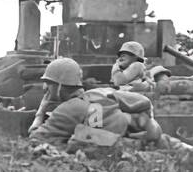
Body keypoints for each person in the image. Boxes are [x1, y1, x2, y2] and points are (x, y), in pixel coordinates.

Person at [30, 57, 163, 147]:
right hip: (145, 133)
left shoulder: (69, 109)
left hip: (107, 149)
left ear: (59, 85)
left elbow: (35, 139)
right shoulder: (100, 93)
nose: (44, 88)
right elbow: (144, 103)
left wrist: (40, 112)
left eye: (48, 83)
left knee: (75, 143)